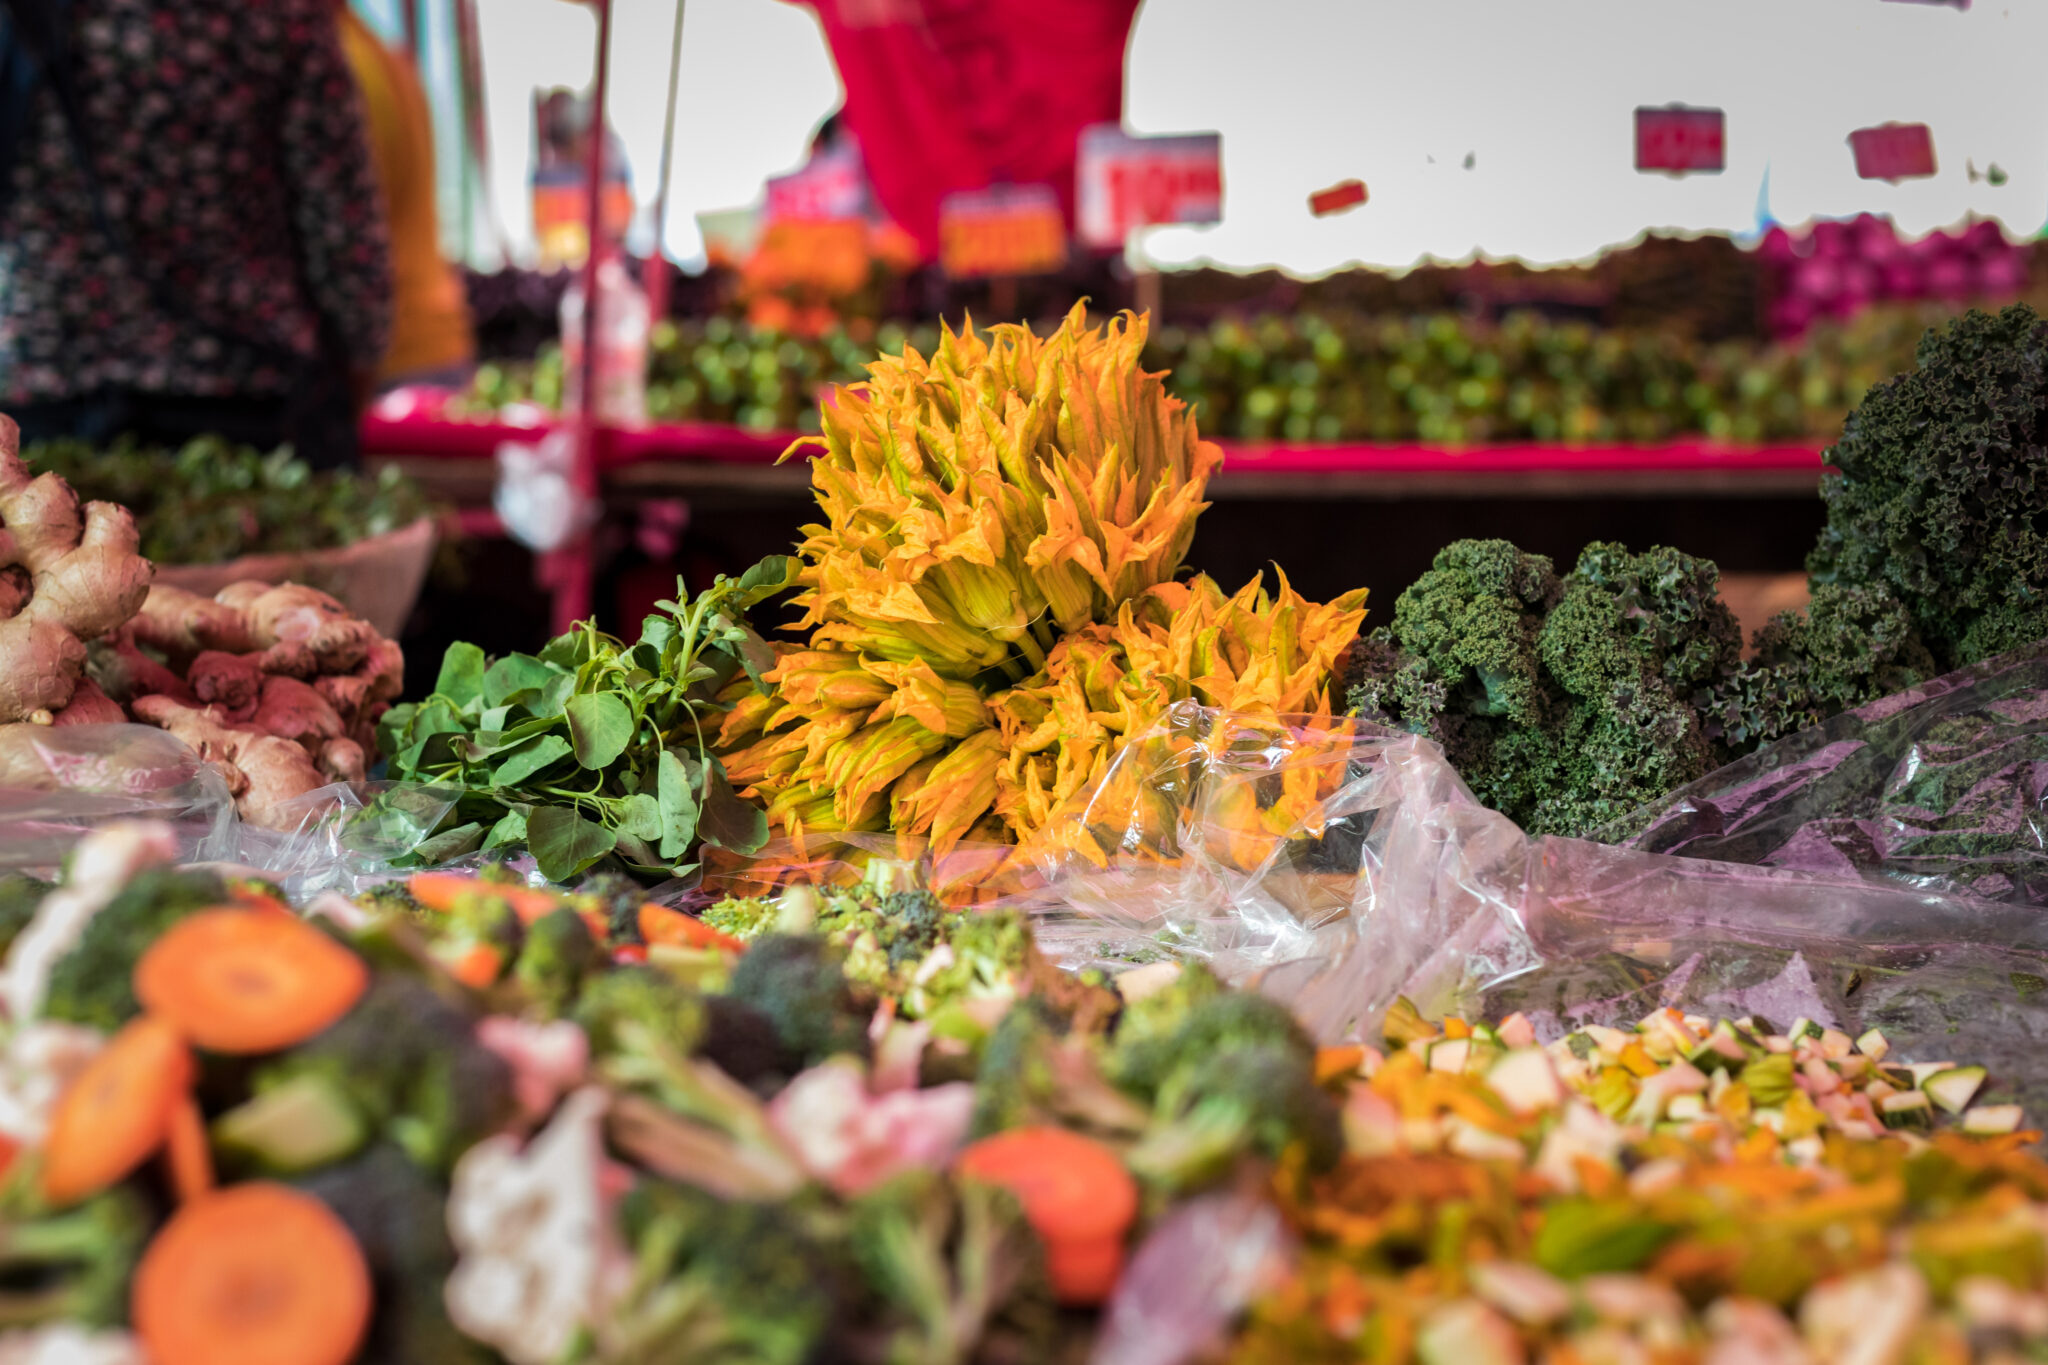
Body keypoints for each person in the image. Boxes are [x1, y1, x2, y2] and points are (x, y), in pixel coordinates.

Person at [0, 0, 393, 468]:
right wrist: (359, 363)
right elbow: (344, 232)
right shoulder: (276, 14)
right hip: (246, 401)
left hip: (38, 395)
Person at [336, 2, 475, 390]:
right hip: (424, 338)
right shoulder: (376, 50)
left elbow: (345, 232)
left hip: (392, 354)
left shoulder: (340, 63)